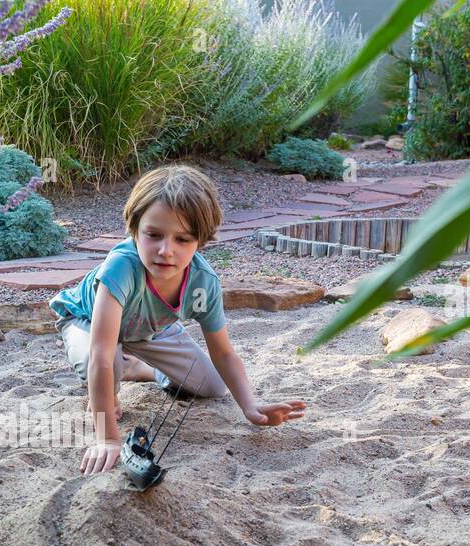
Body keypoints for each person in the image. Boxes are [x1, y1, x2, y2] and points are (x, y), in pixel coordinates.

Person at [48, 165, 306, 475]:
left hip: (151, 330)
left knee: (212, 386)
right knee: (107, 363)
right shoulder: (121, 267)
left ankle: (139, 368)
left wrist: (249, 406)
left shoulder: (203, 282)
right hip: (86, 322)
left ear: (201, 241)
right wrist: (108, 438)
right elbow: (101, 355)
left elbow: (223, 352)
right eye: (153, 235)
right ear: (134, 229)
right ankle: (113, 379)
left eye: (183, 239)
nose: (166, 251)